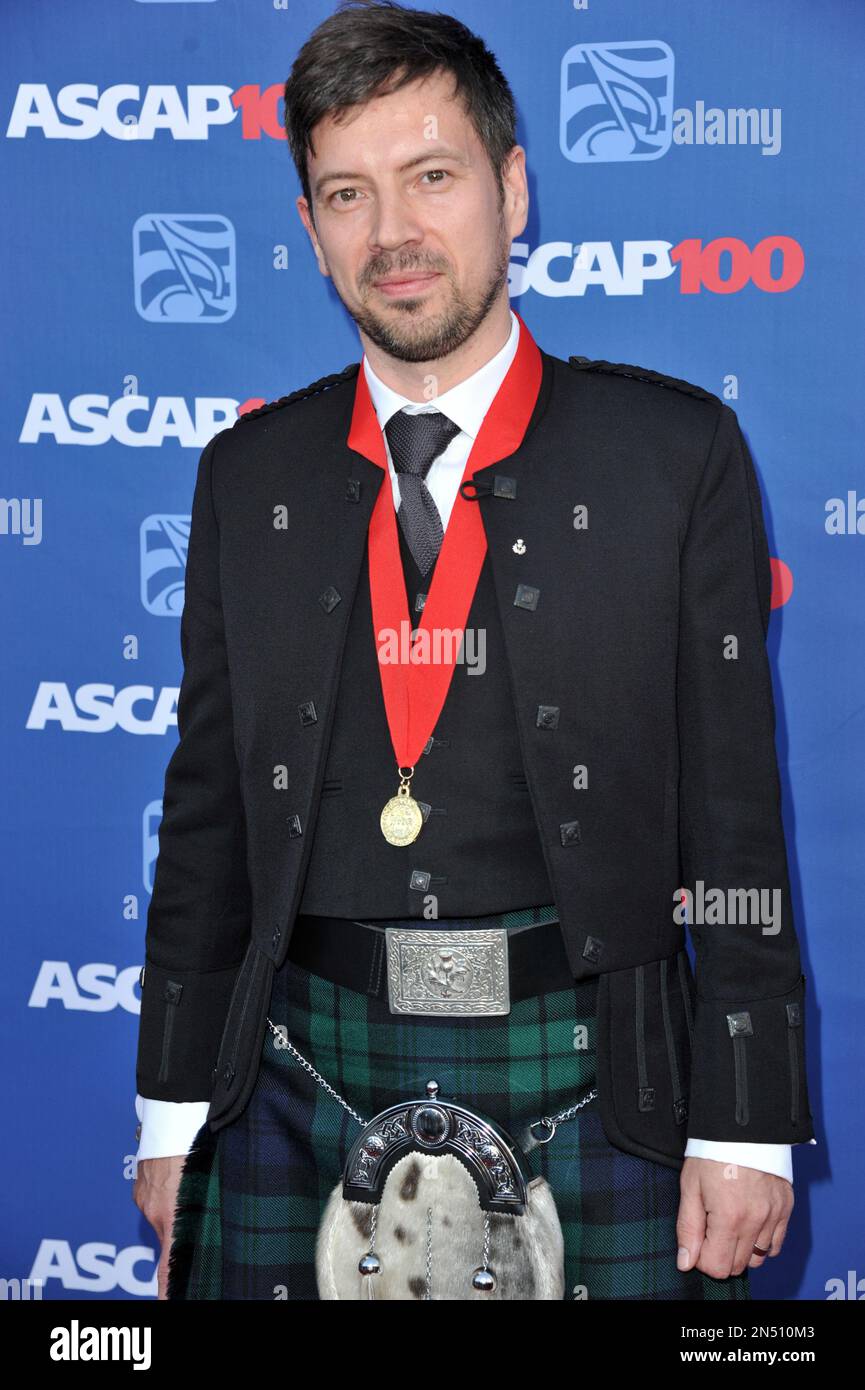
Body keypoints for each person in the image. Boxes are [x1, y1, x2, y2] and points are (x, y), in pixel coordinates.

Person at [132, 0, 814, 1301]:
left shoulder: (671, 461)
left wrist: (741, 1118)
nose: (391, 233)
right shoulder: (245, 476)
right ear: (312, 233)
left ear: (510, 189)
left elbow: (734, 824)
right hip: (291, 1074)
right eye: (346, 193)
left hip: (597, 1070)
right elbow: (208, 818)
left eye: (430, 176)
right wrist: (172, 1110)